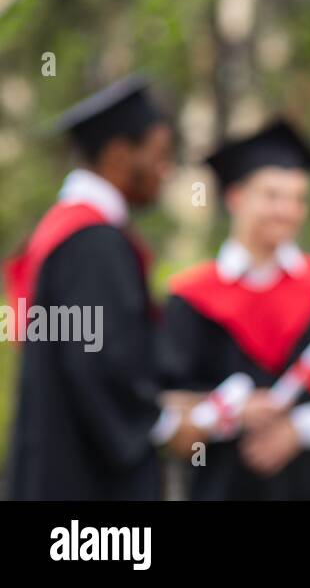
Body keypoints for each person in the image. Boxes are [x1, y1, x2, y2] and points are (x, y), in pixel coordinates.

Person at [5, 74, 200, 499]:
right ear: (117, 155)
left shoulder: (67, 231)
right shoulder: (93, 242)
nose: (165, 171)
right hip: (87, 483)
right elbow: (96, 359)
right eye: (159, 154)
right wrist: (160, 422)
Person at [159, 119, 310, 499]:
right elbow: (165, 398)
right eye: (273, 196)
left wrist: (298, 429)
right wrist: (230, 413)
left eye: (298, 198)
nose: (287, 211)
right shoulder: (189, 298)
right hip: (216, 483)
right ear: (236, 198)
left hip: (305, 484)